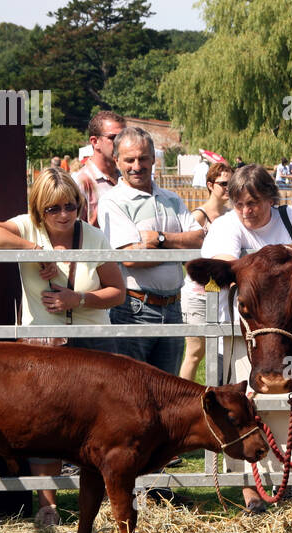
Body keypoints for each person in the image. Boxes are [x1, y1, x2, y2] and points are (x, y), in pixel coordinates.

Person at [0, 167, 126, 525]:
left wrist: (80, 299)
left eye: (70, 207)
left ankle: (100, 501)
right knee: (45, 424)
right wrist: (34, 250)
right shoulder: (26, 227)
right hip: (41, 340)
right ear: (38, 209)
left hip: (91, 339)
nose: (63, 215)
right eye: (53, 209)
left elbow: (117, 291)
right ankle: (48, 506)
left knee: (96, 423)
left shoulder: (93, 236)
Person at [201, 164, 292, 514]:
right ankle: (250, 492)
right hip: (245, 334)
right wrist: (288, 259)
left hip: (286, 335)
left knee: (289, 404)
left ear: (271, 198)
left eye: (254, 203)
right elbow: (225, 266)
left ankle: (282, 482)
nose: (247, 211)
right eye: (239, 204)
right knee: (244, 409)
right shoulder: (226, 227)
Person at [96, 127, 205, 377]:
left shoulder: (172, 199)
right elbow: (131, 259)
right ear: (117, 161)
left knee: (167, 391)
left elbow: (199, 239)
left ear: (153, 158)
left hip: (173, 308)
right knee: (133, 392)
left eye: (143, 158)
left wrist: (159, 239)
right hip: (134, 309)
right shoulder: (113, 201)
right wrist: (178, 245)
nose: (137, 165)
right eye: (130, 159)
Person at [179, 160, 233, 382]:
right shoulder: (199, 216)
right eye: (224, 184)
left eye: (232, 184)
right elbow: (187, 257)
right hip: (198, 294)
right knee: (195, 352)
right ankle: (182, 397)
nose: (228, 189)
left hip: (222, 294)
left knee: (222, 349)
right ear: (210, 185)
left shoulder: (231, 216)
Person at [75, 111, 125, 222]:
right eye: (113, 138)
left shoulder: (125, 177)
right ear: (95, 141)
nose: (121, 142)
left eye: (123, 137)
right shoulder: (81, 182)